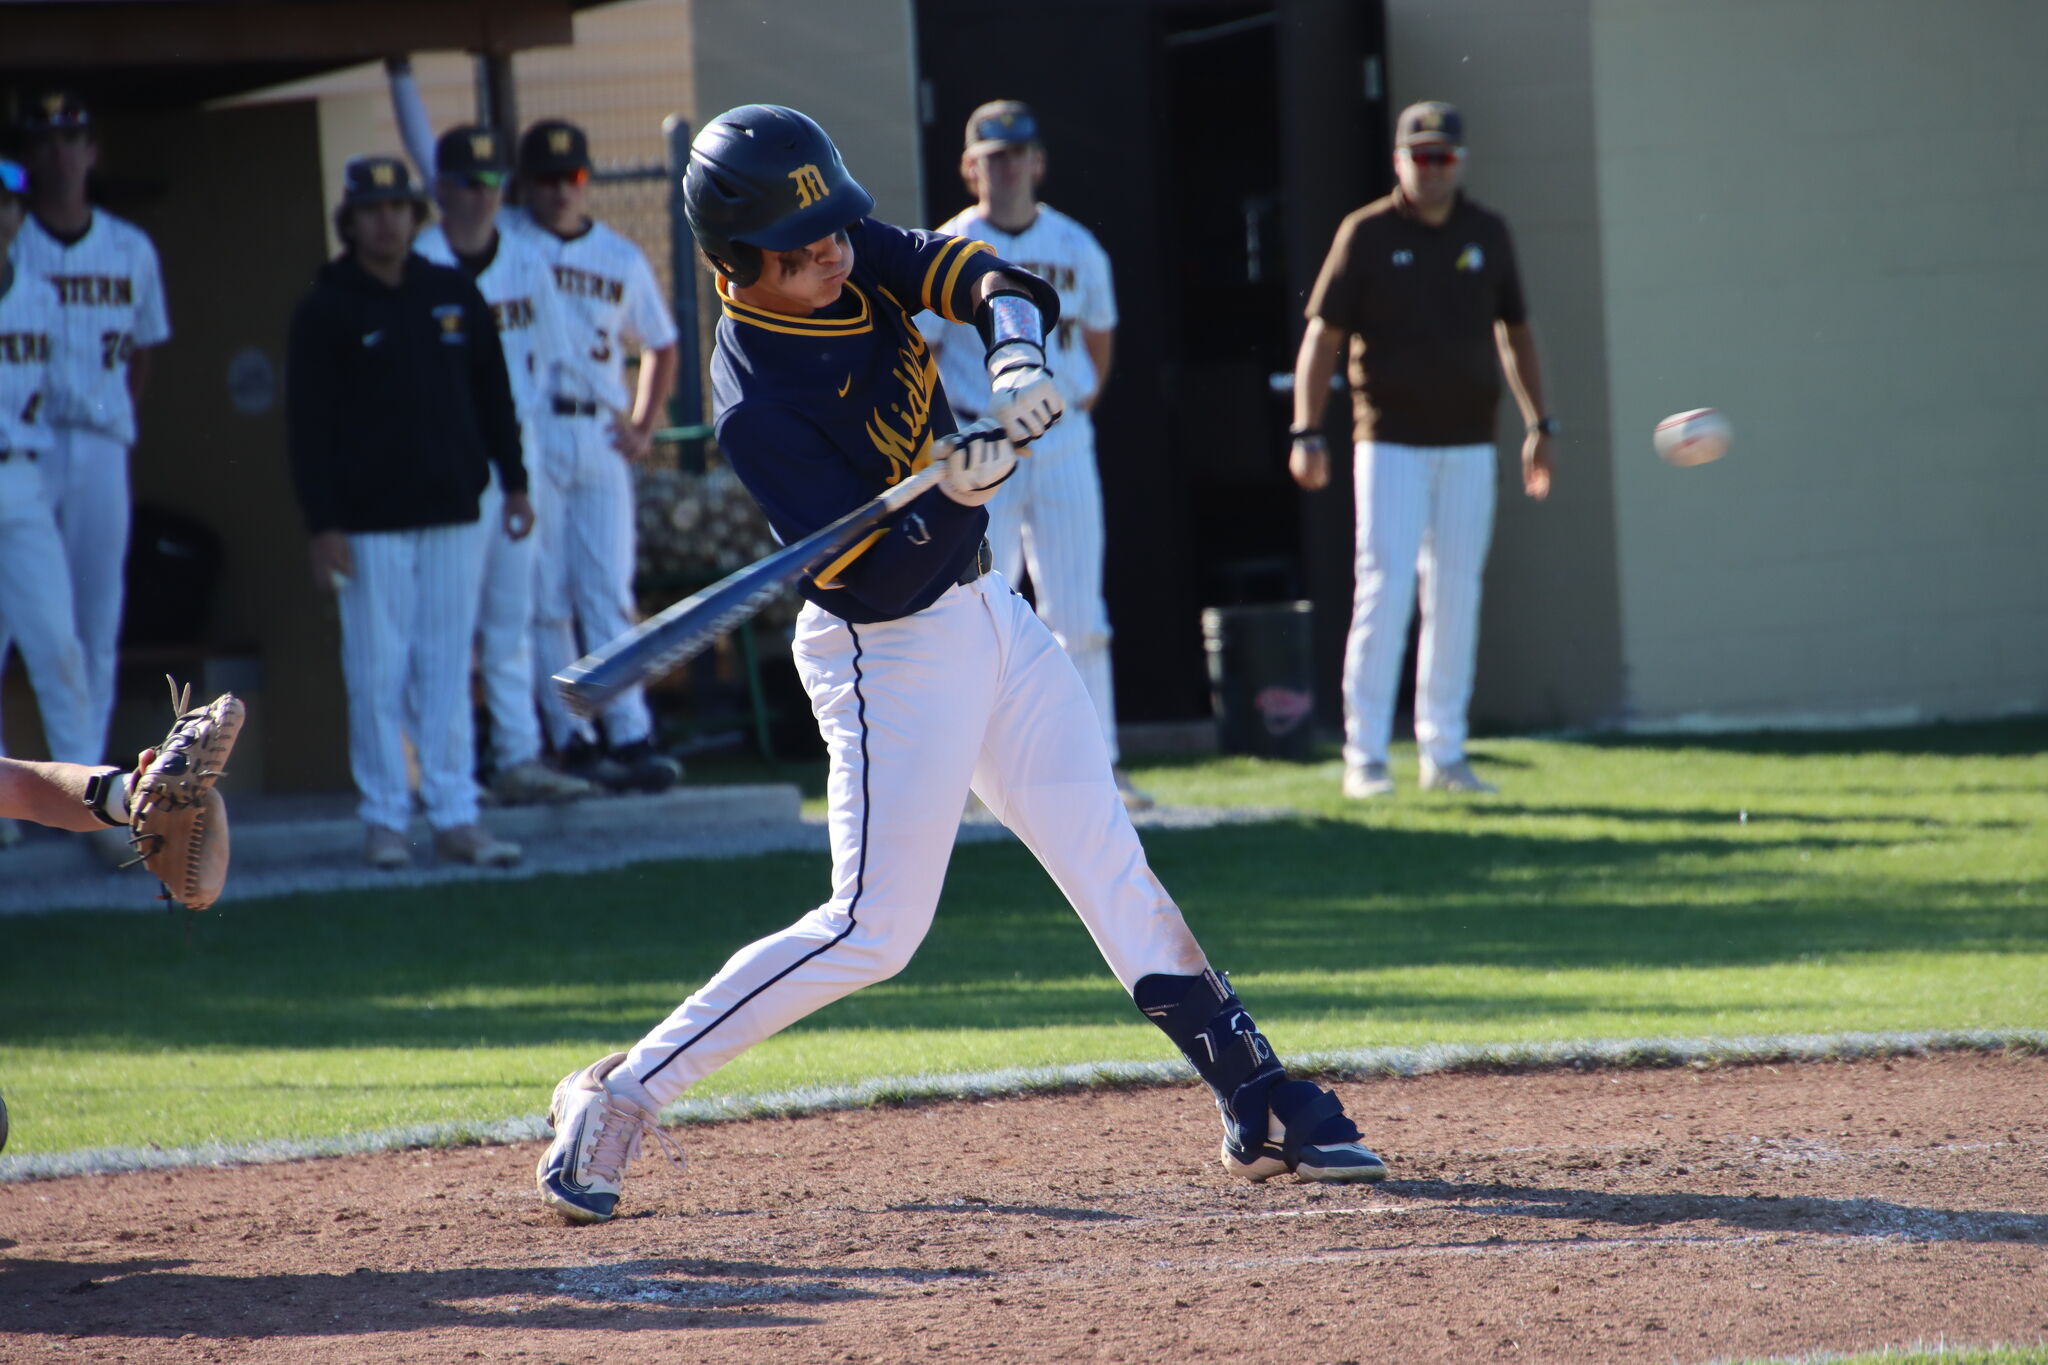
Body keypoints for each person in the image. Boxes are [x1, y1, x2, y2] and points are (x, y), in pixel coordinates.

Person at [533, 105, 1388, 1226]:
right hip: (884, 651)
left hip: (990, 612)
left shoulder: (846, 252)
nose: (835, 251)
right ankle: (619, 1095)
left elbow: (982, 271)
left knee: (1106, 857)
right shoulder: (758, 403)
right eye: (802, 250)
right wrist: (957, 488)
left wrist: (1017, 352)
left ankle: (1254, 1096)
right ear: (735, 266)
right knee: (872, 931)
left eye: (837, 226)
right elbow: (877, 578)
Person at [1288, 101, 1553, 798]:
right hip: (1390, 441)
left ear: (1459, 162)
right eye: (1421, 155)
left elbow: (1516, 333)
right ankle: (1366, 754)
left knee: (1457, 595)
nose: (1432, 169)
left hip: (1469, 443)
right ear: (1400, 160)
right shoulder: (1366, 232)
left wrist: (1540, 424)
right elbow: (1322, 336)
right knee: (1385, 589)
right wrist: (1306, 429)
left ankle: (1445, 751)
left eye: (1444, 157)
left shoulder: (1487, 232)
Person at [285, 155, 528, 869]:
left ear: (415, 216)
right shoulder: (326, 307)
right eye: (373, 208)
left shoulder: (451, 292)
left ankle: (457, 813)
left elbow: (494, 396)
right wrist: (321, 524)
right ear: (351, 221)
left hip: (455, 511)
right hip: (366, 523)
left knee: (449, 667)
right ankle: (386, 818)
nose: (387, 220)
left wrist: (515, 483)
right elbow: (308, 427)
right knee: (376, 670)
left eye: (398, 206)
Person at [922, 101, 1149, 811]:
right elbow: (920, 349)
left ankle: (1097, 767)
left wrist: (1072, 404)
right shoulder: (950, 245)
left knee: (1079, 609)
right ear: (969, 166)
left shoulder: (1077, 246)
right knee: (973, 612)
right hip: (978, 440)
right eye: (993, 154)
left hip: (1060, 440)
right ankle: (968, 774)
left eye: (1018, 152)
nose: (1008, 165)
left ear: (1039, 161)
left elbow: (1100, 345)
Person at [0, 94, 170, 843]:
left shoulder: (129, 247)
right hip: (31, 446)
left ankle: (90, 798)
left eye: (73, 137)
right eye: (47, 140)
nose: (62, 153)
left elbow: (144, 351)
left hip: (93, 440)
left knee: (89, 627)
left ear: (92, 149)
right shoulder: (18, 250)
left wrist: (117, 428)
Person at [412, 125, 592, 806]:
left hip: (516, 455)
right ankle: (450, 771)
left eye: (491, 185)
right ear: (441, 190)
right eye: (467, 184)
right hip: (446, 465)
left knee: (511, 618)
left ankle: (518, 755)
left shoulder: (524, 262)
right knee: (447, 627)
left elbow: (550, 360)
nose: (481, 198)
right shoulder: (421, 261)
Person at [506, 118, 682, 794]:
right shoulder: (512, 243)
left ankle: (630, 731)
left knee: (606, 589)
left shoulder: (618, 256)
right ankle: (570, 735)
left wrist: (645, 422)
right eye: (545, 179)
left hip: (601, 434)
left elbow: (661, 342)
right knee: (547, 593)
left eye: (571, 177)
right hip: (534, 427)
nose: (559, 191)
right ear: (525, 186)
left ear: (587, 181)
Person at [0, 156, 96, 849]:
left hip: (23, 473)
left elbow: (65, 398)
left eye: (6, 204)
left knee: (59, 643)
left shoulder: (40, 294)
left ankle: (93, 802)